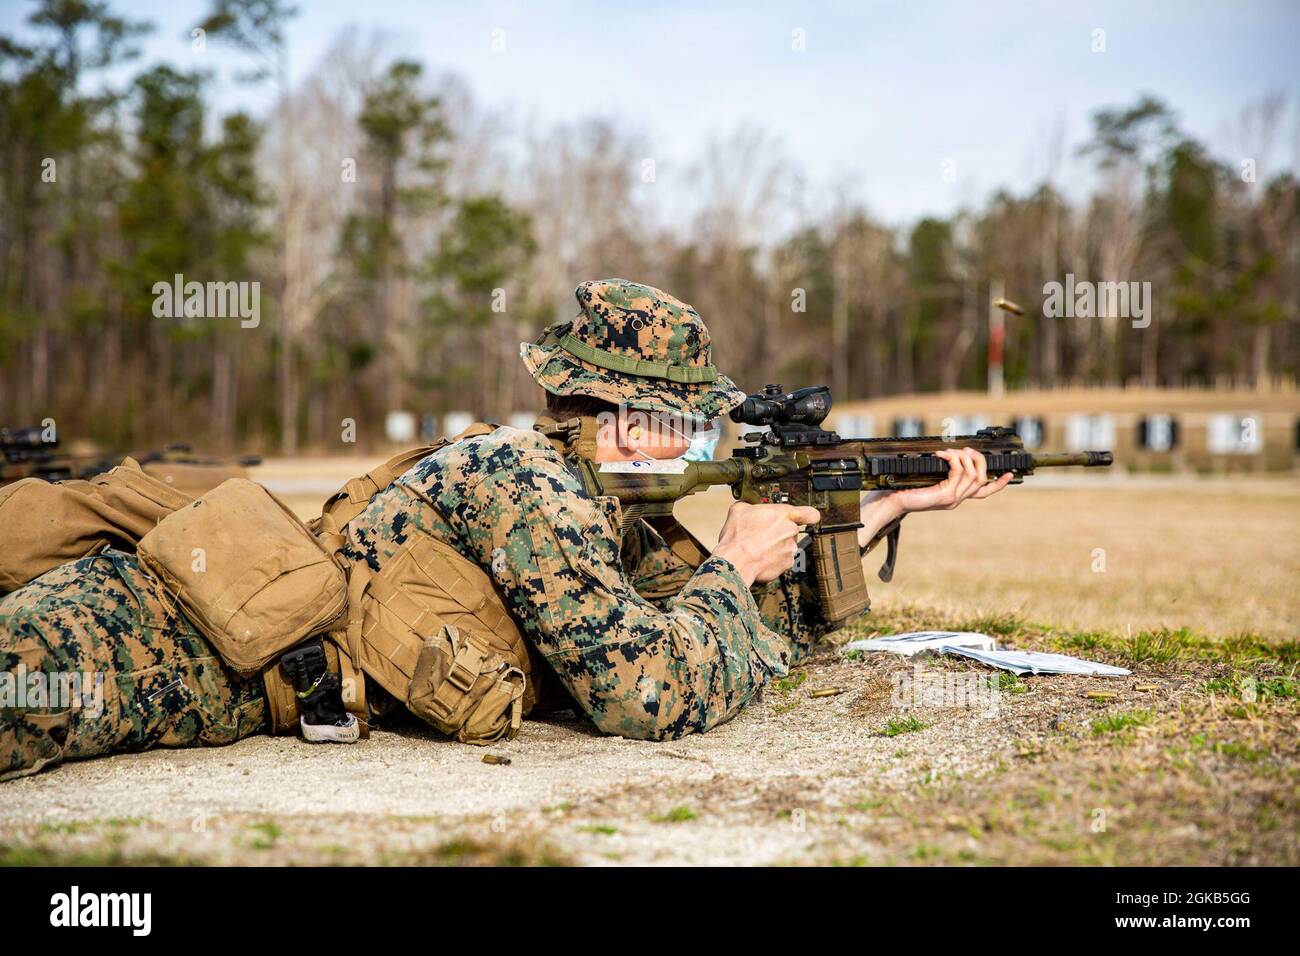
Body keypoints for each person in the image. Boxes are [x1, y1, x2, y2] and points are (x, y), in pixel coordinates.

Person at [0, 279, 1008, 779]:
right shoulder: (529, 483)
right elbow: (644, 691)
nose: (703, 435)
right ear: (620, 413)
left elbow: (736, 640)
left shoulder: (610, 513)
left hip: (223, 656)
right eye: (688, 415)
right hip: (154, 640)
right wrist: (733, 566)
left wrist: (873, 508)